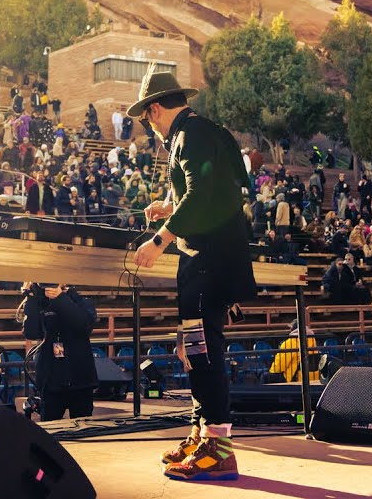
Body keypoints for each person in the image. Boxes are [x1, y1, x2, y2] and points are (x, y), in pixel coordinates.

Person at [131, 70, 254, 481]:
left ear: (154, 109)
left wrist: (159, 239)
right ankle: (203, 435)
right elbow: (208, 191)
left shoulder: (190, 134)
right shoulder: (196, 132)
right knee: (198, 349)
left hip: (209, 258)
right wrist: (168, 208)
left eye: (147, 120)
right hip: (204, 256)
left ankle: (218, 448)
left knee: (205, 351)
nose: (150, 128)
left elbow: (202, 195)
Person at [20, 281, 98, 420]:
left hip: (80, 379)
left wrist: (60, 298)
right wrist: (31, 297)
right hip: (51, 381)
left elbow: (84, 326)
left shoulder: (81, 301)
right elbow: (31, 332)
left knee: (84, 427)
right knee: (49, 430)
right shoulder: (38, 303)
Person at [267, 318, 319, 382]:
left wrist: (272, 371)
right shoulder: (312, 340)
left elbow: (280, 365)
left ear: (293, 329)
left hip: (294, 378)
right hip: (313, 377)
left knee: (265, 377)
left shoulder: (289, 342)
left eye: (290, 328)